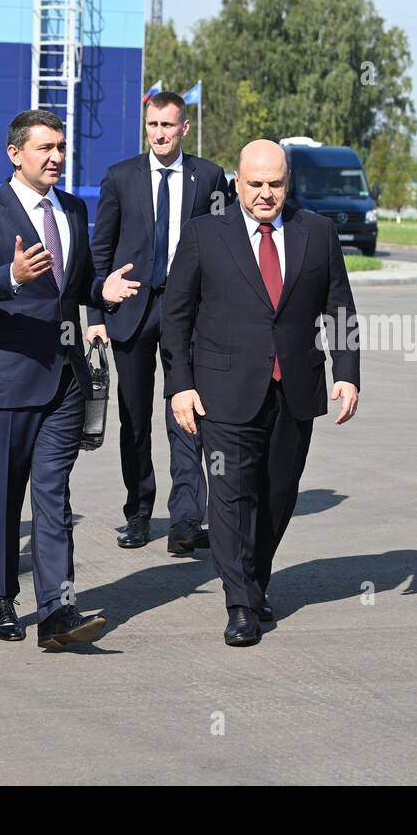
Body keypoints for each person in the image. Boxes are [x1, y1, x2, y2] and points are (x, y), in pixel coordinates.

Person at [0, 109, 141, 648]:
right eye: (45, 148)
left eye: (61, 147)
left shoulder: (73, 209)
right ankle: (0, 597)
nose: (56, 157)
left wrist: (102, 293)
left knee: (53, 495)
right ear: (15, 154)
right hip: (3, 380)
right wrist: (9, 276)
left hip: (64, 380)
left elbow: (75, 286)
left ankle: (57, 609)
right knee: (3, 496)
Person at [162, 139, 360, 647]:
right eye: (255, 184)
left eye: (275, 183)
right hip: (222, 391)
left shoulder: (317, 232)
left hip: (294, 389)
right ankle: (240, 604)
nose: (265, 193)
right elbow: (176, 317)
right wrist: (180, 386)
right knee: (230, 496)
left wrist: (347, 371)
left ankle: (255, 580)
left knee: (277, 494)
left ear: (288, 183)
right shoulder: (204, 234)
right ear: (237, 182)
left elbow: (339, 307)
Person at [87, 91, 231, 552]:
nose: (160, 133)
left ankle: (186, 519)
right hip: (130, 310)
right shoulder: (120, 177)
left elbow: (225, 245)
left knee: (186, 411)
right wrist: (95, 314)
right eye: (153, 125)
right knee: (133, 418)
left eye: (168, 125)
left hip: (188, 312)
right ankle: (139, 512)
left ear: (184, 128)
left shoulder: (209, 177)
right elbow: (100, 251)